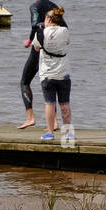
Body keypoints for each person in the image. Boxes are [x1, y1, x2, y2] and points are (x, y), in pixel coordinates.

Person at [19, 0, 64, 129]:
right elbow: (64, 26)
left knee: (25, 81)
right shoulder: (54, 6)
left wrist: (33, 40)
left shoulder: (34, 7)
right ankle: (55, 123)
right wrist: (30, 39)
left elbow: (34, 24)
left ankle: (30, 117)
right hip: (54, 49)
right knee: (50, 82)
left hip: (38, 49)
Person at [32, 7, 72, 144]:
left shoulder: (40, 33)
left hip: (47, 74)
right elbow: (67, 43)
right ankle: (68, 134)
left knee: (49, 104)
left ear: (48, 19)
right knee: (65, 104)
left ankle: (49, 133)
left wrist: (43, 29)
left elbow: (36, 48)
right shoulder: (65, 31)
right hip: (63, 74)